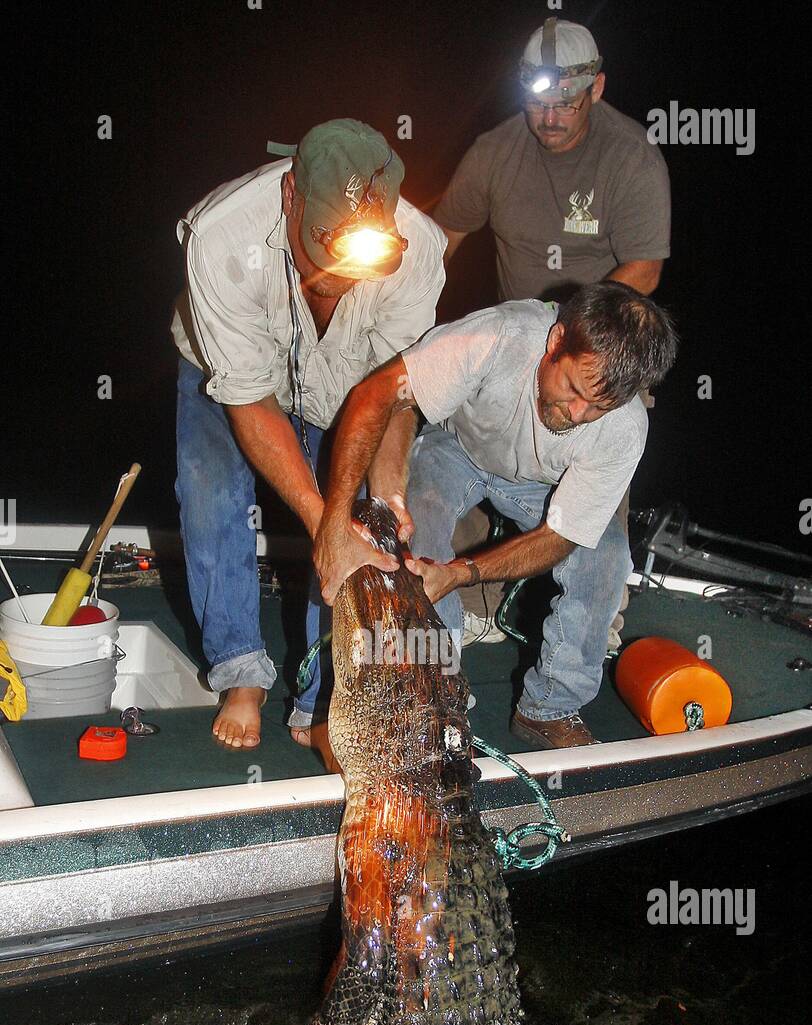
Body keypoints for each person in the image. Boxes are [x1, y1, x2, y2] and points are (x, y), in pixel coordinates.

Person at [171, 119, 446, 754]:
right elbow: (249, 402)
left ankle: (322, 700)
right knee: (211, 489)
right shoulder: (218, 237)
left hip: (342, 381)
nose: (341, 279)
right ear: (292, 194)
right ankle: (241, 673)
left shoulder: (420, 251)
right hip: (227, 370)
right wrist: (321, 520)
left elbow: (393, 395)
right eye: (327, 251)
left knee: (360, 526)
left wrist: (390, 495)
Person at [313, 283, 678, 749]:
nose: (578, 413)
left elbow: (561, 536)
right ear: (555, 341)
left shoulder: (624, 428)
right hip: (457, 448)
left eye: (599, 406)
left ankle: (551, 706)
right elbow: (380, 394)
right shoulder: (498, 335)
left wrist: (462, 573)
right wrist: (340, 517)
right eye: (573, 388)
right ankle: (440, 696)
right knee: (415, 530)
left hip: (541, 484)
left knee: (605, 557)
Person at [432, 17, 671, 647]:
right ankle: (466, 603)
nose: (552, 118)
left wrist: (575, 333)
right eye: (537, 103)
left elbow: (644, 269)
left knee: (595, 503)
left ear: (595, 89)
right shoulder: (492, 152)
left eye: (566, 102)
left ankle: (593, 619)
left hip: (598, 351)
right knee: (447, 445)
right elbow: (439, 243)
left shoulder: (631, 156)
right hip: (517, 346)